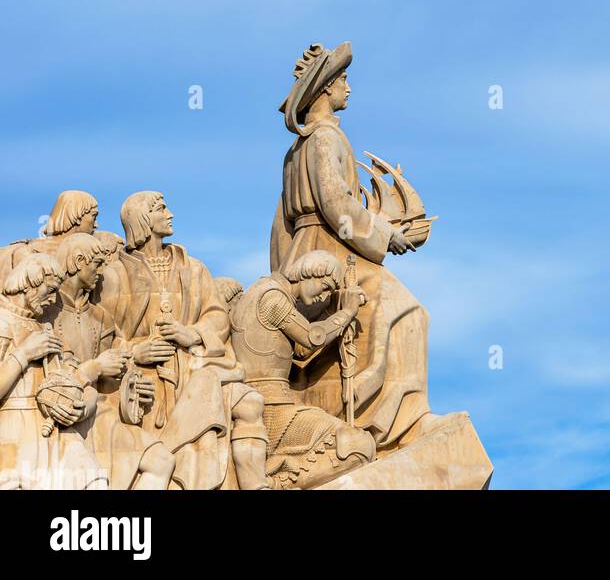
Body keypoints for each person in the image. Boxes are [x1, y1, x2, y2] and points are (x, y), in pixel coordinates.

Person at [270, 42, 448, 448]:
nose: (348, 88)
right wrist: (388, 235)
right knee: (408, 312)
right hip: (332, 250)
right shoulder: (326, 138)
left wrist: (282, 272)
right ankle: (397, 422)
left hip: (306, 249)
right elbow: (336, 204)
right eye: (343, 80)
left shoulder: (296, 149)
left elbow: (281, 222)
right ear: (326, 87)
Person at [98, 192, 268, 490]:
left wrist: (192, 334)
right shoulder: (115, 274)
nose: (171, 214)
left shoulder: (194, 268)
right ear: (143, 220)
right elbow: (101, 336)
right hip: (142, 381)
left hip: (195, 367)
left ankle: (256, 485)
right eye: (161, 209)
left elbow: (217, 316)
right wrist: (136, 351)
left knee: (250, 401)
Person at [230, 252, 374, 488]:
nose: (324, 296)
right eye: (325, 287)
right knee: (359, 445)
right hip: (272, 408)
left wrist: (330, 313)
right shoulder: (272, 297)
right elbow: (311, 337)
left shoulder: (264, 290)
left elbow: (299, 351)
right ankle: (278, 482)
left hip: (270, 403)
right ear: (311, 272)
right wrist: (347, 312)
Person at [49, 233, 174, 490]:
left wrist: (136, 386)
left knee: (161, 460)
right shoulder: (47, 313)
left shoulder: (101, 317)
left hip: (103, 414)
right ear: (78, 261)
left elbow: (122, 359)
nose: (102, 271)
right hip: (64, 414)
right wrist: (94, 369)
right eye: (97, 264)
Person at [0, 254, 106, 490]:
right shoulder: (2, 322)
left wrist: (80, 407)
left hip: (52, 432)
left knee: (94, 477)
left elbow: (71, 375)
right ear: (31, 282)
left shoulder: (43, 327)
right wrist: (24, 354)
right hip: (13, 433)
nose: (52, 299)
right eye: (49, 290)